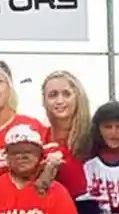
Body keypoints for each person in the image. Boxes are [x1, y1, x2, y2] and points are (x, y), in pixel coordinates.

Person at [39, 70, 91, 198]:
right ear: (44, 101)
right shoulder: (39, 140)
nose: (59, 101)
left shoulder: (93, 136)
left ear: (78, 97)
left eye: (66, 94)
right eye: (53, 95)